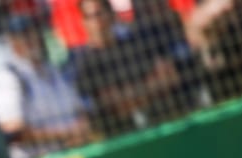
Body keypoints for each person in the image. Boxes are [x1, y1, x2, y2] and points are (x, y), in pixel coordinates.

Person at [0, 14, 95, 158]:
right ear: (13, 43)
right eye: (25, 37)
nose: (32, 40)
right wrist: (66, 134)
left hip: (72, 156)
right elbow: (12, 130)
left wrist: (81, 130)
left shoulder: (53, 70)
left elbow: (79, 109)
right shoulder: (10, 77)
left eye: (34, 34)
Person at [69, 0, 182, 137]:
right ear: (84, 22)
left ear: (111, 15)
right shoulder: (85, 64)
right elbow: (112, 103)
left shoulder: (132, 45)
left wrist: (132, 95)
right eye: (89, 17)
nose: (96, 21)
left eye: (99, 14)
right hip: (120, 133)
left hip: (160, 121)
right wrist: (148, 88)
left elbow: (169, 77)